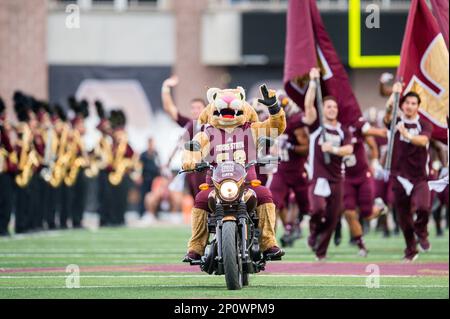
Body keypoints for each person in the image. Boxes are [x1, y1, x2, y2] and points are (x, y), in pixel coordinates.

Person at [181, 85, 286, 262]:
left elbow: (275, 127)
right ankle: (196, 247)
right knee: (200, 199)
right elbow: (195, 147)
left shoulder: (251, 128)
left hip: (247, 184)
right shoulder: (207, 132)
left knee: (265, 195)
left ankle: (268, 243)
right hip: (216, 185)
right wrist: (190, 159)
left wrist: (274, 107)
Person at [303, 68, 354, 261]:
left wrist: (332, 149)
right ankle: (314, 231)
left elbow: (348, 149)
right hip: (318, 177)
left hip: (336, 178)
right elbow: (309, 105)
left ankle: (321, 251)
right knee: (317, 209)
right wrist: (313, 83)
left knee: (333, 218)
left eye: (334, 107)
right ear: (323, 109)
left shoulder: (343, 130)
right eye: (328, 107)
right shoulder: (317, 126)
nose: (332, 109)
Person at [384, 82, 433, 262]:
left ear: (418, 106)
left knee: (423, 207)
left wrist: (408, 136)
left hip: (419, 177)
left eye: (413, 103)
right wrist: (394, 96)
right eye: (407, 103)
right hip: (399, 176)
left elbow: (423, 141)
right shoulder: (396, 122)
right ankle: (411, 250)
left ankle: (422, 231)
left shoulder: (424, 124)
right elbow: (387, 115)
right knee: (403, 217)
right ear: (402, 105)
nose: (410, 106)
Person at [342, 116, 389, 256]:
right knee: (349, 212)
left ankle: (380, 208)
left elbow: (373, 146)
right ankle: (361, 245)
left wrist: (374, 163)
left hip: (363, 176)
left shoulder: (356, 127)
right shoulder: (333, 129)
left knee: (367, 214)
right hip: (346, 177)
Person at [268, 91, 310, 247]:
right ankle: (269, 240)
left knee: (307, 207)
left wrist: (291, 146)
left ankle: (296, 226)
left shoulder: (295, 121)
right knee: (271, 204)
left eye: (281, 108)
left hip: (299, 170)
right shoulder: (272, 123)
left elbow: (306, 148)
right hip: (281, 170)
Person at [161, 75, 207, 198]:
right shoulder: (189, 124)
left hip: (206, 171)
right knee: (196, 202)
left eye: (198, 108)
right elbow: (169, 109)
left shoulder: (210, 125)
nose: (195, 110)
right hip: (191, 171)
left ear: (206, 109)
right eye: (193, 108)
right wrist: (165, 87)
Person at [93, 100, 114, 227]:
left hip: (108, 170)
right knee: (102, 195)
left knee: (108, 195)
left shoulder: (108, 139)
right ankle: (102, 219)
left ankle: (108, 217)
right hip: (101, 169)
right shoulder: (100, 139)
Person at [0, 96, 17, 236]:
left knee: (6, 199)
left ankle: (3, 227)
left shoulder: (3, 128)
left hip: (4, 169)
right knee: (4, 199)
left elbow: (9, 148)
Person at [138, 137, 161, 217]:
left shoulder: (156, 154)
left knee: (155, 196)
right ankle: (143, 213)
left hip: (154, 180)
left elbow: (158, 165)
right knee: (144, 195)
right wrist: (140, 176)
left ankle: (155, 213)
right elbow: (139, 167)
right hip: (145, 178)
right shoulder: (143, 155)